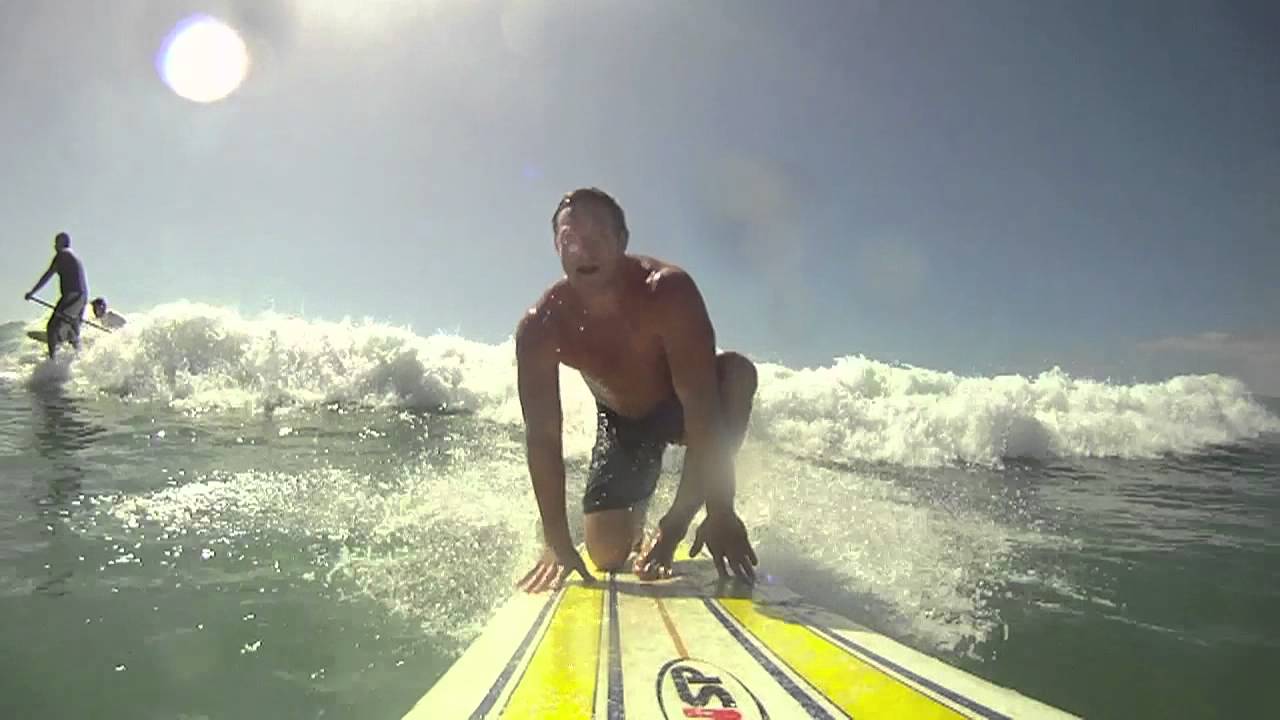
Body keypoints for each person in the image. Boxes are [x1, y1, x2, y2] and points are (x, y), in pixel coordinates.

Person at [516, 187, 759, 593]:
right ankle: (638, 517)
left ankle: (670, 525)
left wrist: (717, 512)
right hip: (622, 423)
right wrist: (556, 540)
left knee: (736, 375)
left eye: (596, 238)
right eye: (568, 240)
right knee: (607, 556)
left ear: (622, 242)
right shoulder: (542, 326)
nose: (582, 250)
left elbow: (702, 411)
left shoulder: (666, 292)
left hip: (679, 409)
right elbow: (541, 437)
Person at [24, 232, 88, 358]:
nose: (54, 246)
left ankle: (52, 360)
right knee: (71, 329)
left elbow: (47, 276)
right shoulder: (74, 256)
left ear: (61, 243)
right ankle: (79, 356)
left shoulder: (62, 255)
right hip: (82, 298)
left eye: (56, 243)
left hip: (72, 296)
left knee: (51, 327)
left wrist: (32, 292)